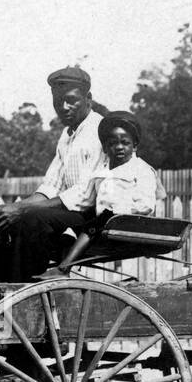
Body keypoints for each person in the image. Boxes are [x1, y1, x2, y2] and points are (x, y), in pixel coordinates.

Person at [0, 66, 108, 283]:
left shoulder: (100, 129)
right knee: (6, 223)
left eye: (71, 100)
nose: (63, 107)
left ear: (88, 98)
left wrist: (20, 209)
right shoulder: (67, 135)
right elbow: (51, 186)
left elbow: (84, 196)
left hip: (94, 217)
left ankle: (21, 294)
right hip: (69, 213)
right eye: (58, 101)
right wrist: (10, 210)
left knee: (32, 219)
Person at [34, 110, 163, 278]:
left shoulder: (142, 170)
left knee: (93, 226)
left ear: (135, 145)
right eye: (113, 143)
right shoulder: (100, 173)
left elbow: (146, 204)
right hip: (100, 217)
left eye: (125, 143)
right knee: (70, 222)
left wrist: (119, 209)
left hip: (126, 220)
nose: (119, 147)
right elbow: (86, 198)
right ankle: (59, 254)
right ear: (105, 147)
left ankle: (64, 269)